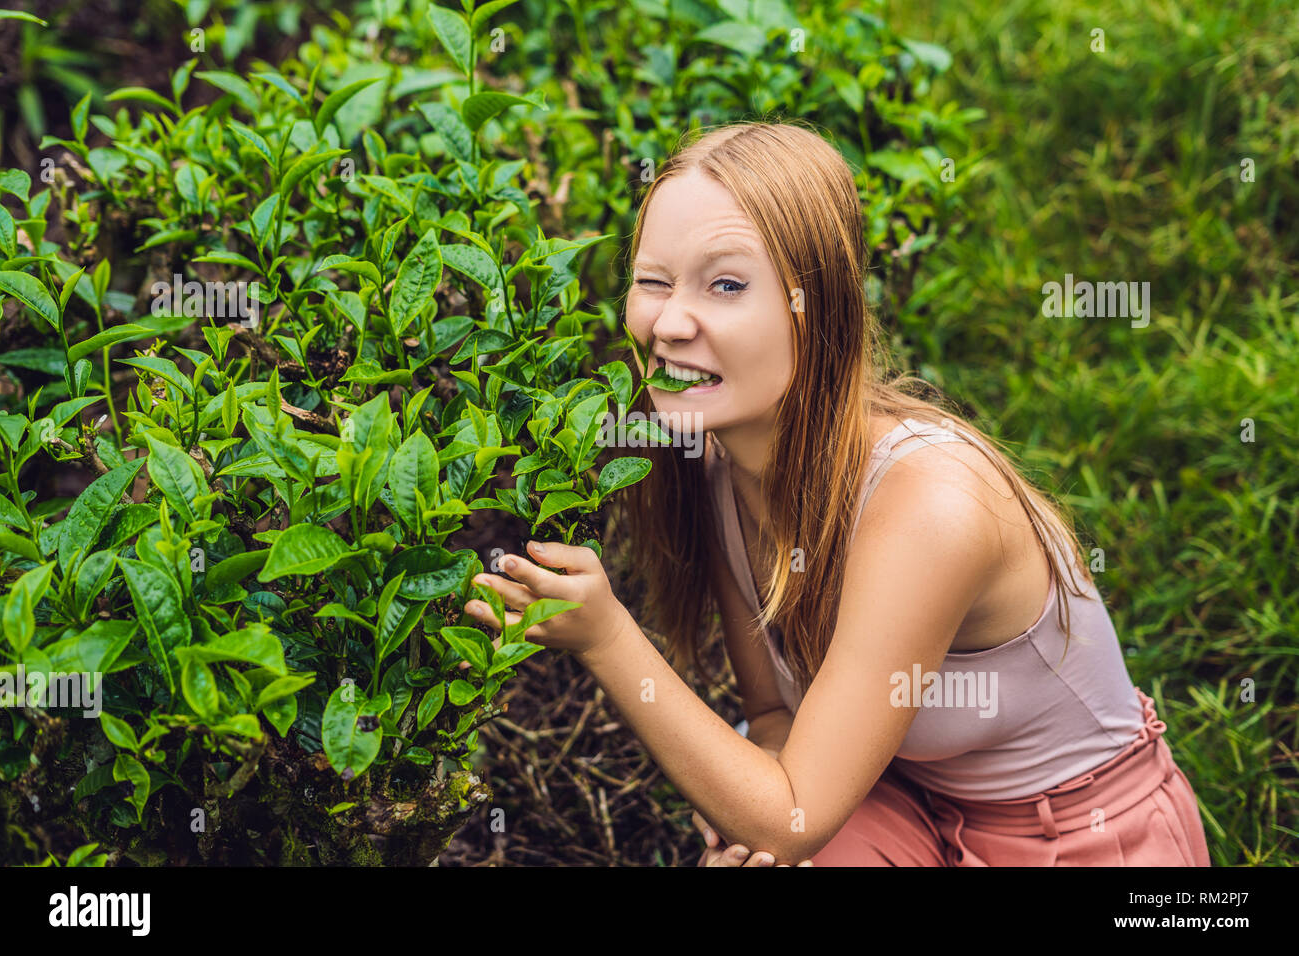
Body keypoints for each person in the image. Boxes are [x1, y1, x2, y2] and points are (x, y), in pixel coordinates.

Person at [464, 120, 1211, 867]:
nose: (671, 321)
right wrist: (748, 822)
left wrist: (607, 637)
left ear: (814, 308)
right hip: (900, 806)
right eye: (653, 281)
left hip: (1079, 839)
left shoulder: (932, 506)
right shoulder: (716, 467)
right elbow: (771, 719)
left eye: (726, 284)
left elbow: (791, 814)